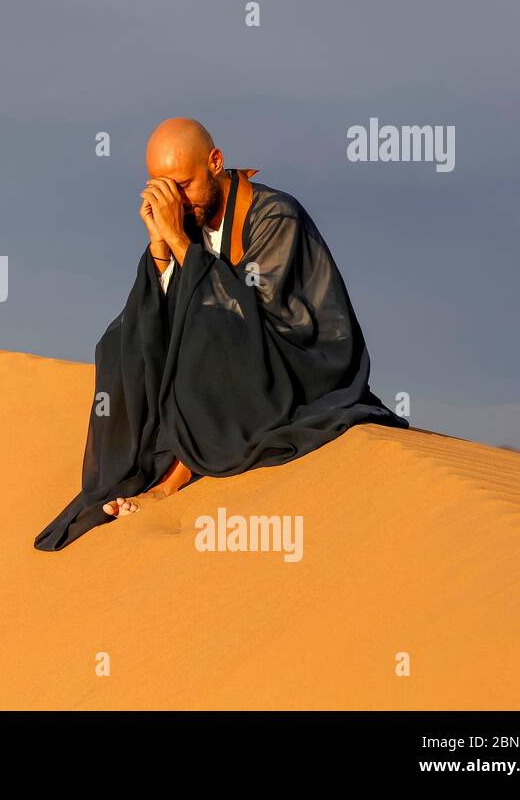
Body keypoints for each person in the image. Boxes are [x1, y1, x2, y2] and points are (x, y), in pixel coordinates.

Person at [33, 118, 406, 551]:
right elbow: (158, 310)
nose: (177, 201)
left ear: (215, 162)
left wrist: (176, 239)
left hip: (300, 362)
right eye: (163, 189)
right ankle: (140, 463)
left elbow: (250, 313)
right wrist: (159, 249)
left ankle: (178, 473)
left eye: (185, 185)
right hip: (235, 356)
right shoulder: (184, 220)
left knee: (207, 324)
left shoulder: (275, 215)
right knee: (119, 341)